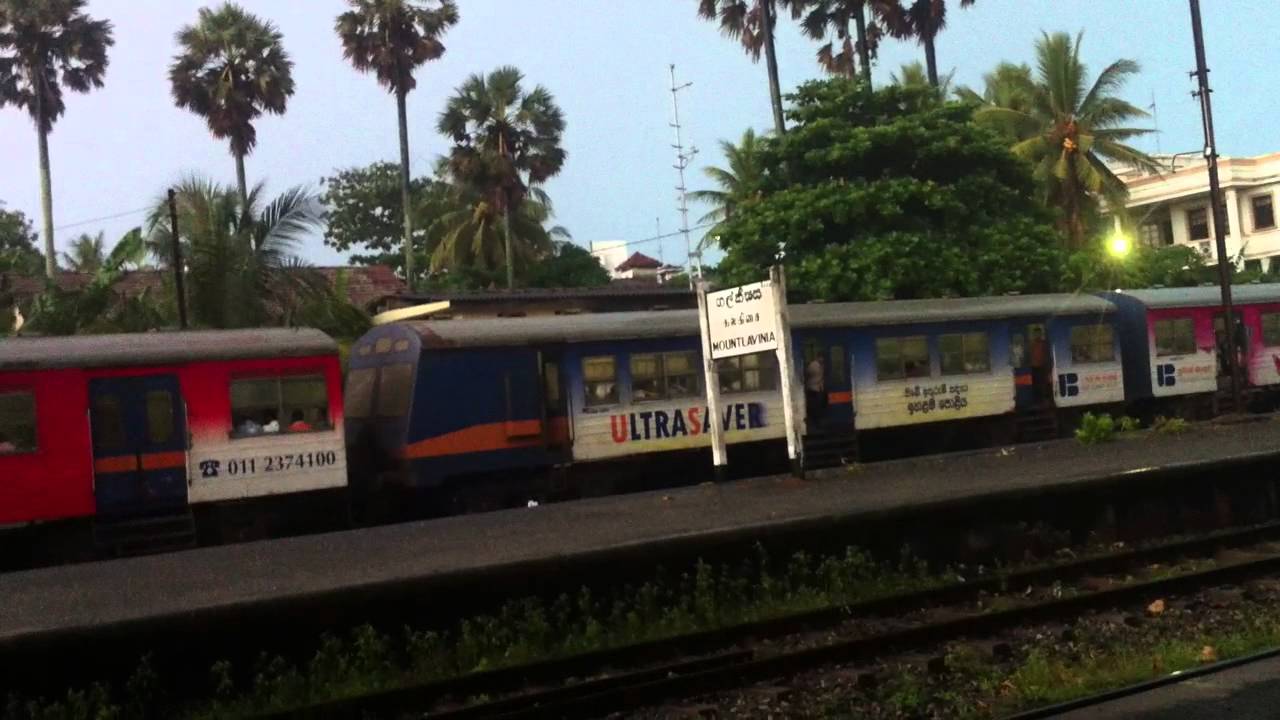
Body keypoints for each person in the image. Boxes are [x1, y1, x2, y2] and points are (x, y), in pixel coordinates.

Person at [1029, 327, 1051, 403]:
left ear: (1041, 334)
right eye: (1036, 334)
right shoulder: (1031, 344)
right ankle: (1036, 400)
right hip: (1033, 367)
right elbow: (1030, 355)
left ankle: (1043, 399)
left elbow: (1047, 355)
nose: (1037, 335)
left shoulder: (1044, 343)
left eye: (1038, 333)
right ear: (1034, 334)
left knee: (1043, 383)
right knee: (1035, 384)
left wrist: (1047, 366)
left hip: (1042, 367)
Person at [805, 355, 826, 431]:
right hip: (813, 388)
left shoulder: (820, 365)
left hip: (817, 388)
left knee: (817, 406)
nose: (822, 359)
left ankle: (818, 422)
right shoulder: (814, 365)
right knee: (815, 406)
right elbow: (808, 373)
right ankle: (816, 423)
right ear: (818, 357)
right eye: (821, 357)